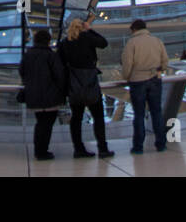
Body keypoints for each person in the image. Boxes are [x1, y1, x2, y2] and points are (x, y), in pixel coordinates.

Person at [57, 18, 114, 158]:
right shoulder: (87, 38)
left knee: (76, 118)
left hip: (74, 85)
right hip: (90, 83)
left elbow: (60, 64)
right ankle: (103, 148)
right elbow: (103, 43)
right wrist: (90, 29)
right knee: (98, 117)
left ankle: (79, 149)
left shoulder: (64, 43)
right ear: (83, 27)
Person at [121, 19, 169, 153]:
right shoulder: (156, 41)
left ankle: (138, 147)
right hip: (155, 79)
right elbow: (165, 61)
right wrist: (160, 70)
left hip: (137, 81)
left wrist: (126, 77)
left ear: (134, 29)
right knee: (156, 113)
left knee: (139, 114)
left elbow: (127, 64)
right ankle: (161, 144)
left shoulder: (131, 43)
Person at [18, 28, 67, 160]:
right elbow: (59, 75)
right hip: (51, 96)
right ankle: (42, 151)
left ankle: (39, 150)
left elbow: (22, 71)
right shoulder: (51, 55)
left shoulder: (28, 54)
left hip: (33, 95)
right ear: (48, 41)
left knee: (40, 123)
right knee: (47, 124)